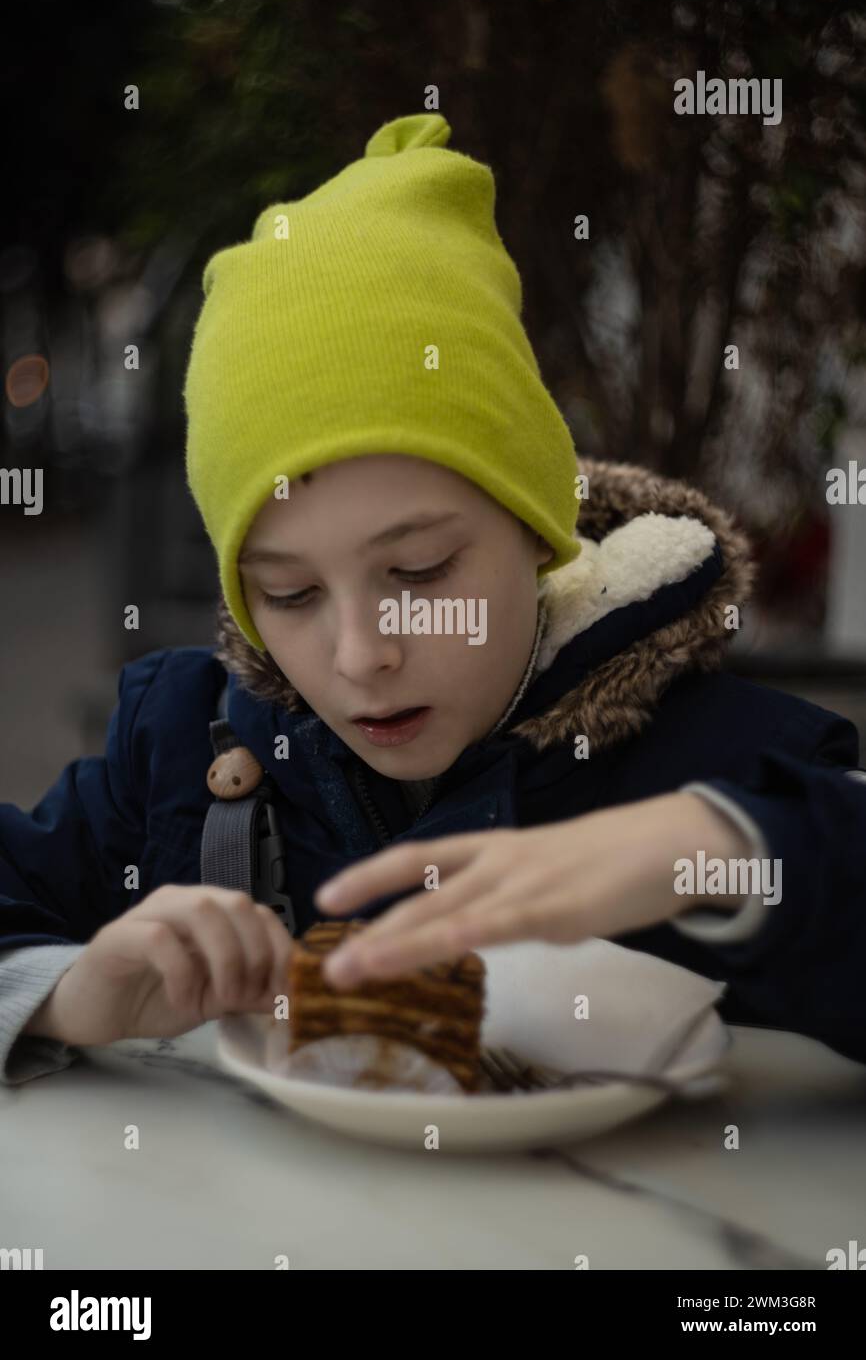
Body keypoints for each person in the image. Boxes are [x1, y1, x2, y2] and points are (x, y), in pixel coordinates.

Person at [2, 113, 865, 1088]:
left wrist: (726, 852)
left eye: (417, 573)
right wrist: (65, 987)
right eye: (286, 592)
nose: (361, 652)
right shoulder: (178, 752)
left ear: (537, 527)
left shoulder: (725, 762)